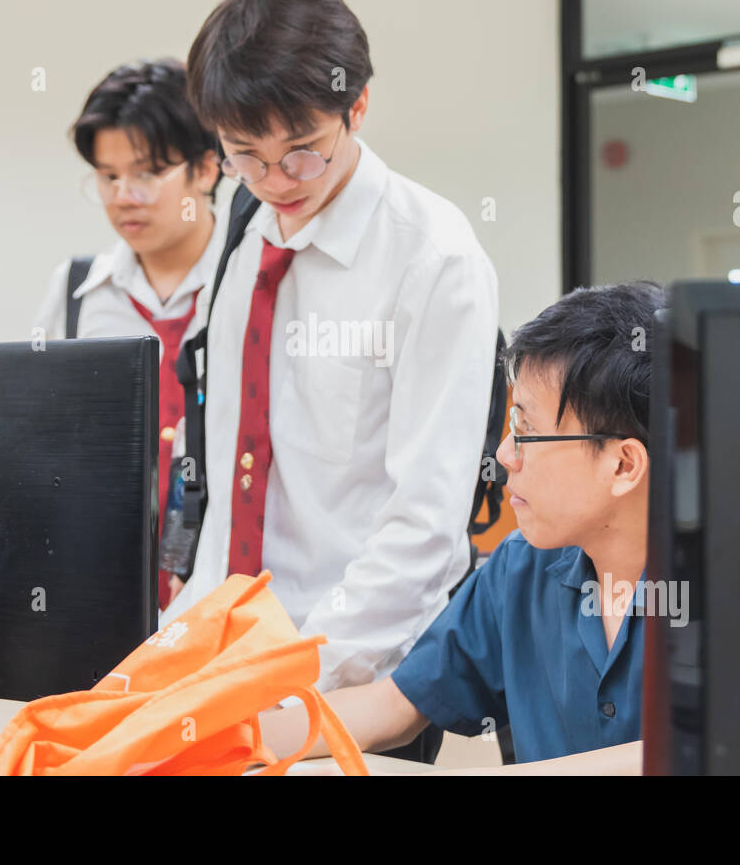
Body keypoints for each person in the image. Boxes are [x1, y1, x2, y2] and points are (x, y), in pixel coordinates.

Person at [161, 0, 500, 733]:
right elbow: (229, 483)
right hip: (227, 656)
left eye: (303, 150)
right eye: (245, 155)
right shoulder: (245, 237)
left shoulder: (433, 259)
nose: (276, 180)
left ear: (358, 107)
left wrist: (296, 677)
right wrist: (180, 647)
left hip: (358, 674)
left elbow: (424, 525)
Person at [259, 282, 666, 770]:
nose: (505, 455)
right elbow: (392, 707)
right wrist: (215, 733)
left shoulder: (727, 592)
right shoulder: (521, 568)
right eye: (511, 426)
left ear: (623, 465)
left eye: (528, 433)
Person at [33, 58, 223, 609]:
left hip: (221, 589)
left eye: (146, 173)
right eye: (108, 176)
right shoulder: (75, 292)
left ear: (206, 169)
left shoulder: (249, 285)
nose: (123, 196)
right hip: (100, 585)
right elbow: (42, 441)